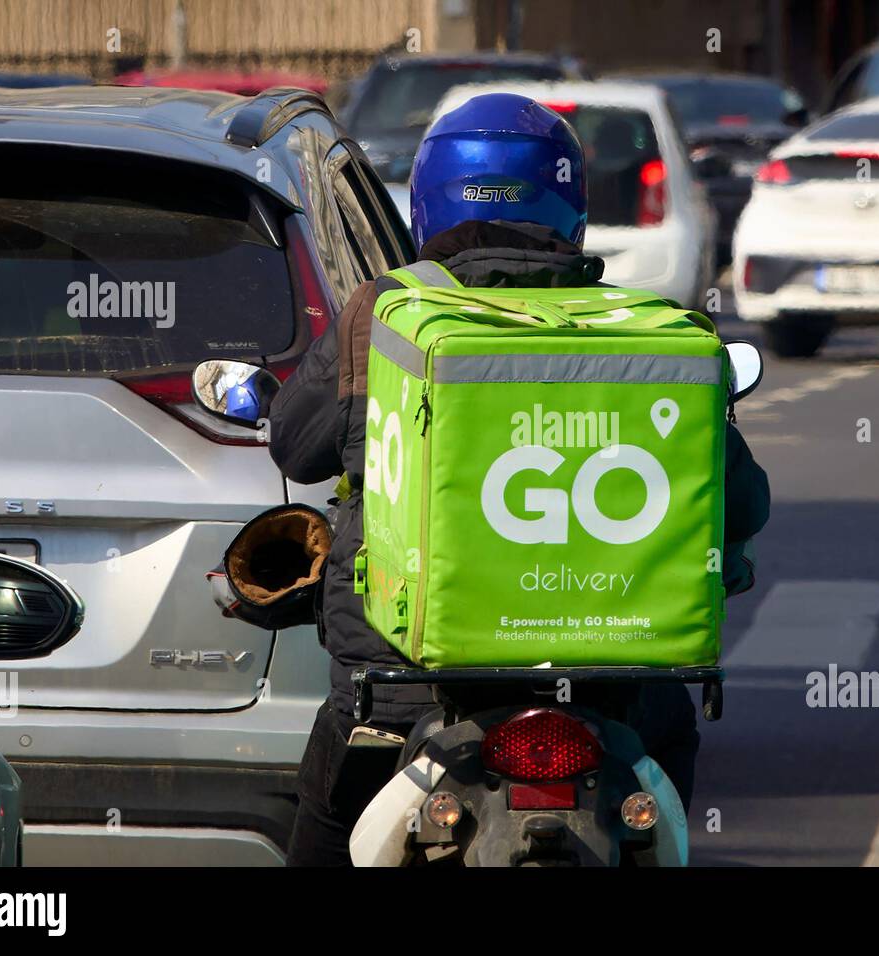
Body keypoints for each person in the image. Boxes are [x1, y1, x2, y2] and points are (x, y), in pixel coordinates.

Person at [267, 93, 769, 866]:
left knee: (327, 822)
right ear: (570, 203)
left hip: (403, 683)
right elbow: (743, 505)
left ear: (428, 201)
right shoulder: (649, 331)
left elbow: (295, 449)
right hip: (616, 684)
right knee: (665, 787)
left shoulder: (385, 316)